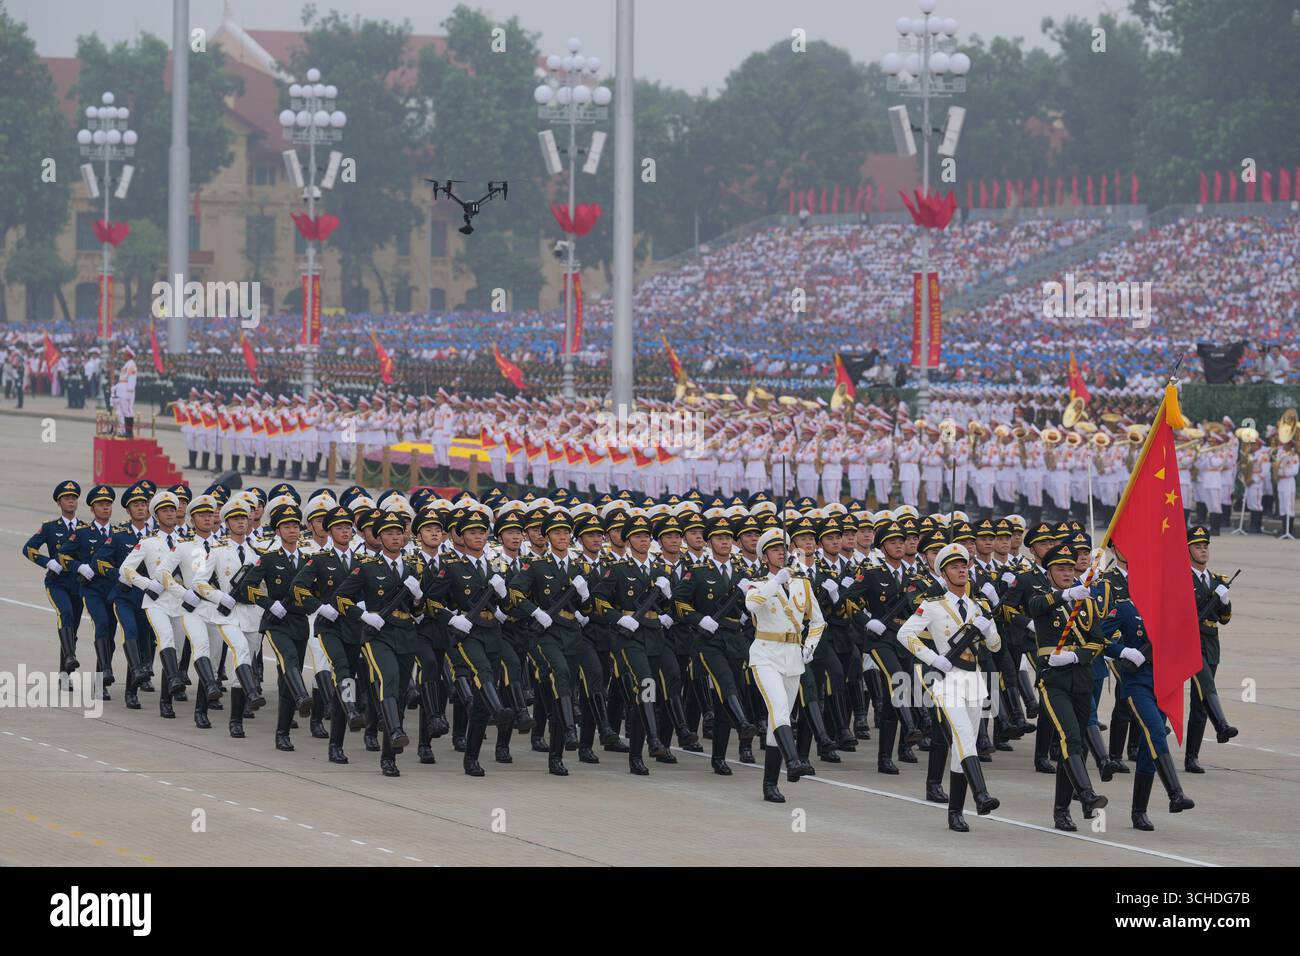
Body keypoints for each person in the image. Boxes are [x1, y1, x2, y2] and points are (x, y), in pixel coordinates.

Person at [896, 543, 1002, 831]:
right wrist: (934, 658)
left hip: (973, 680)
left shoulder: (978, 606)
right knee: (964, 735)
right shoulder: (932, 605)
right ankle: (981, 795)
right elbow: (905, 634)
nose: (962, 570)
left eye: (964, 565)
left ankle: (956, 811)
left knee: (961, 748)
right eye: (955, 567)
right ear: (943, 572)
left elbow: (995, 645)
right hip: (946, 680)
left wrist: (988, 628)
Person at [1026, 542, 1109, 831]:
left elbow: (1098, 639)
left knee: (1074, 746)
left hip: (1081, 677)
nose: (1066, 573)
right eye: (1060, 568)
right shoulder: (1043, 595)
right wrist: (1064, 595)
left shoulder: (1085, 601)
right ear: (1049, 572)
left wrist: (1076, 655)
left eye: (1070, 569)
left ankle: (1062, 810)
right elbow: (1035, 607)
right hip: (1053, 680)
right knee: (1070, 736)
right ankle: (1086, 793)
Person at [333, 512, 424, 777]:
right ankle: (395, 731)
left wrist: (418, 597)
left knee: (403, 694)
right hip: (378, 635)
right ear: (379, 538)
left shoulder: (412, 567)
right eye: (389, 533)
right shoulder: (367, 567)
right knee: (389, 679)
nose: (395, 537)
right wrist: (363, 615)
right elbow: (341, 598)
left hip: (406, 632)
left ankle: (390, 755)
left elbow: (419, 611)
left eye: (399, 533)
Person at [1102, 600, 1195, 830]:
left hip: (1164, 684)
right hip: (1137, 684)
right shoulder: (1126, 608)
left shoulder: (1168, 609)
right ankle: (1175, 793)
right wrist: (1123, 651)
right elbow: (1099, 638)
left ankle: (1139, 811)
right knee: (1156, 732)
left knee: (1148, 746)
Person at [744, 527, 821, 803]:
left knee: (780, 720)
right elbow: (753, 605)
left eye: (783, 549)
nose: (781, 553)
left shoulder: (803, 583)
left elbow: (818, 621)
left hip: (793, 657)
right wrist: (777, 580)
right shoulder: (757, 583)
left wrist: (810, 646)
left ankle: (770, 784)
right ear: (764, 556)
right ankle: (794, 760)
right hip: (765, 655)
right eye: (774, 550)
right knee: (778, 710)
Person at [239, 503, 315, 750]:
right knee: (290, 661)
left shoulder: (308, 559)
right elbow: (248, 587)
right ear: (278, 531)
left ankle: (283, 732)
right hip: (276, 623)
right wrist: (269, 603)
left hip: (299, 622)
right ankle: (302, 696)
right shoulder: (269, 559)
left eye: (295, 526)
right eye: (287, 526)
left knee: (286, 678)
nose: (293, 530)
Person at [1184, 525, 1238, 772]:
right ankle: (1222, 724)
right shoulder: (1180, 578)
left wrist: (1224, 601)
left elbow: (1224, 619)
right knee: (1205, 685)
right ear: (1187, 550)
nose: (1203, 550)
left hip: (1210, 644)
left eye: (1205, 546)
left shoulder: (1218, 581)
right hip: (1187, 643)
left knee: (1200, 702)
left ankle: (1192, 757)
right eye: (1197, 546)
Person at [22, 480, 88, 679]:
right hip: (57, 582)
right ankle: (69, 658)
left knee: (71, 627)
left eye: (74, 498)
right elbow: (28, 549)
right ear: (59, 503)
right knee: (65, 613)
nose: (71, 502)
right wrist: (48, 562)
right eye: (66, 498)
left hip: (77, 583)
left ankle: (65, 671)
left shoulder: (85, 528)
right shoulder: (50, 527)